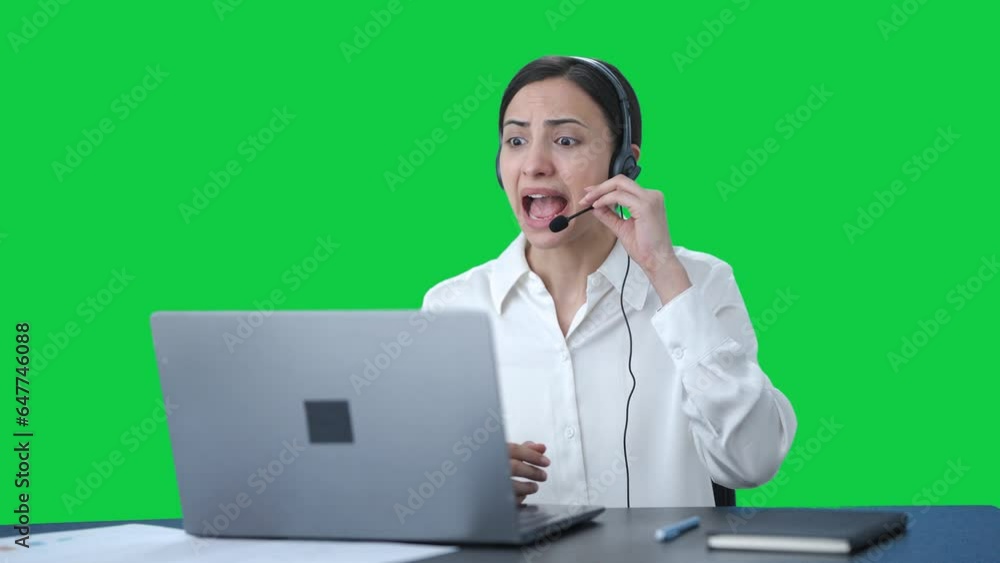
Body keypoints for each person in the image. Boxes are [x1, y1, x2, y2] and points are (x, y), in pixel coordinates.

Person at [421, 55, 797, 508]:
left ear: (623, 164)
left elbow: (751, 462)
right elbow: (430, 493)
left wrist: (663, 271)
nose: (535, 164)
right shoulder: (454, 306)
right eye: (516, 140)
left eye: (565, 139)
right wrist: (467, 483)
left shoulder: (699, 283)